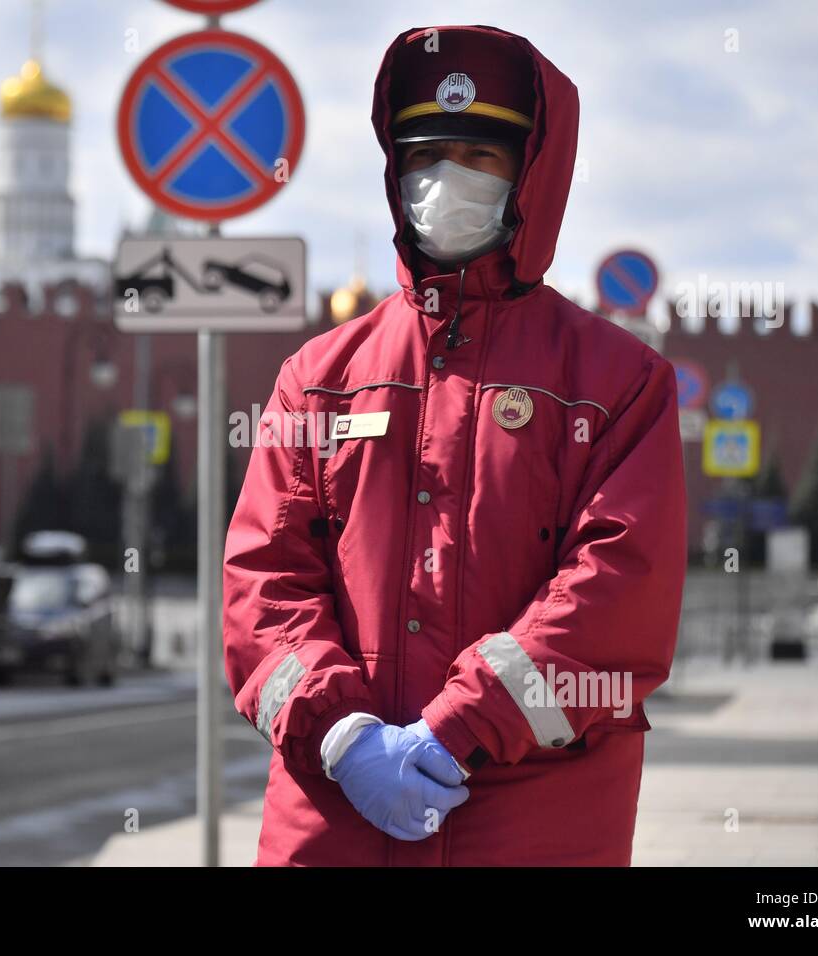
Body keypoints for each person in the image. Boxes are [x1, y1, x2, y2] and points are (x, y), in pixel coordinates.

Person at [223, 24, 686, 866]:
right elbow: (264, 577)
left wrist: (461, 726)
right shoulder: (319, 377)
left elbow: (621, 592)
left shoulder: (619, 383)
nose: (448, 181)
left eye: (480, 157)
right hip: (335, 816)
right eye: (427, 157)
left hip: (538, 820)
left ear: (530, 175)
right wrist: (342, 735)